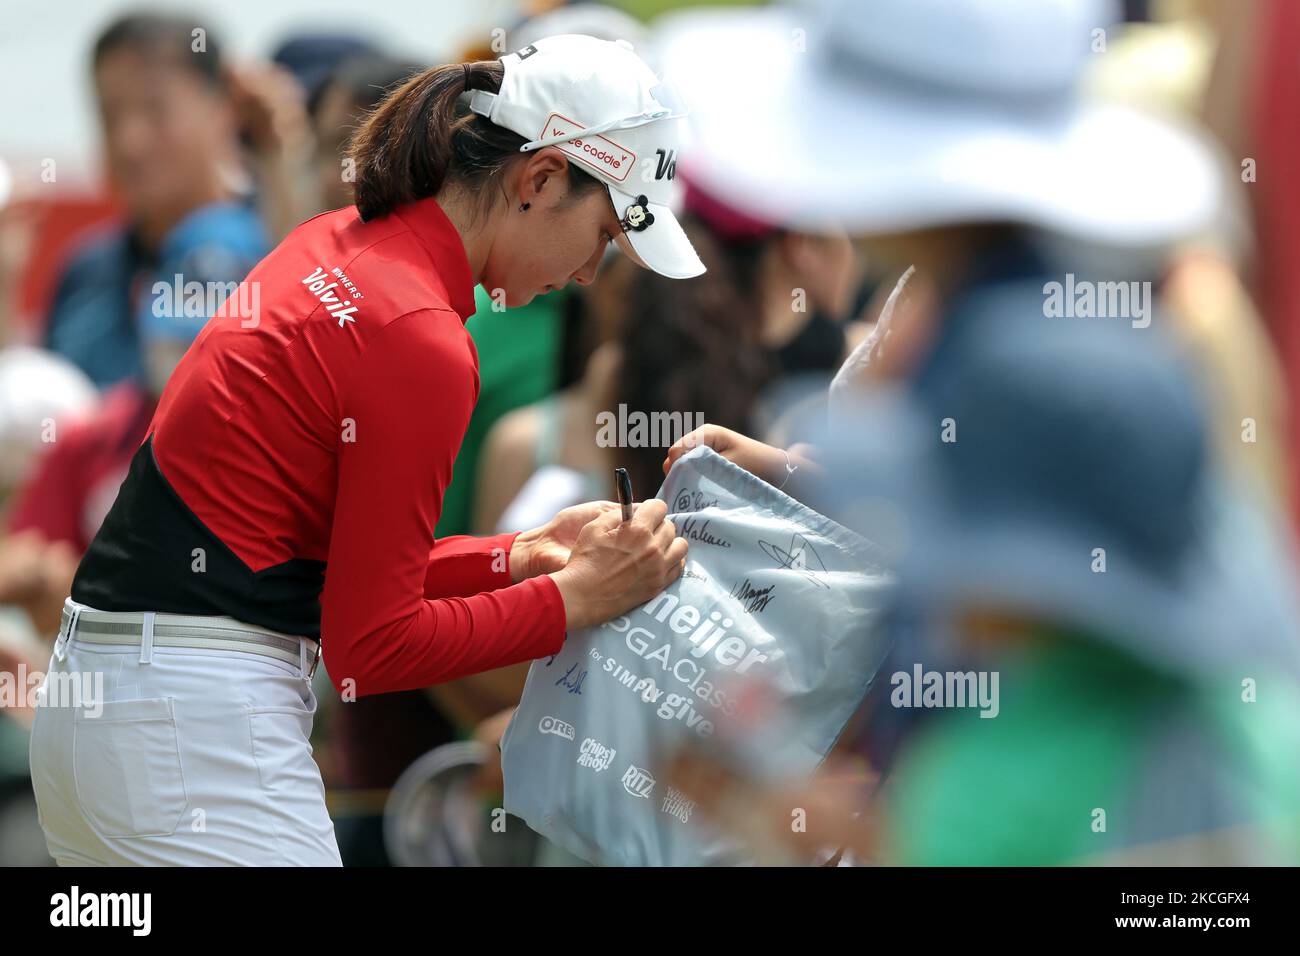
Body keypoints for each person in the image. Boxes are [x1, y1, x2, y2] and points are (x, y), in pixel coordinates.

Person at [30, 35, 698, 866]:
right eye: (603, 234)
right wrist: (577, 598)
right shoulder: (421, 335)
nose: (593, 272)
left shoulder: (337, 243)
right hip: (189, 730)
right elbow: (373, 648)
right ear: (540, 181)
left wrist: (519, 555)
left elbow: (341, 572)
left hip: (111, 707)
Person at [42, 13, 267, 389]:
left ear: (223, 108)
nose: (130, 141)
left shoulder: (273, 250)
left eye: (155, 110)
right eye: (110, 115)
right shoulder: (84, 271)